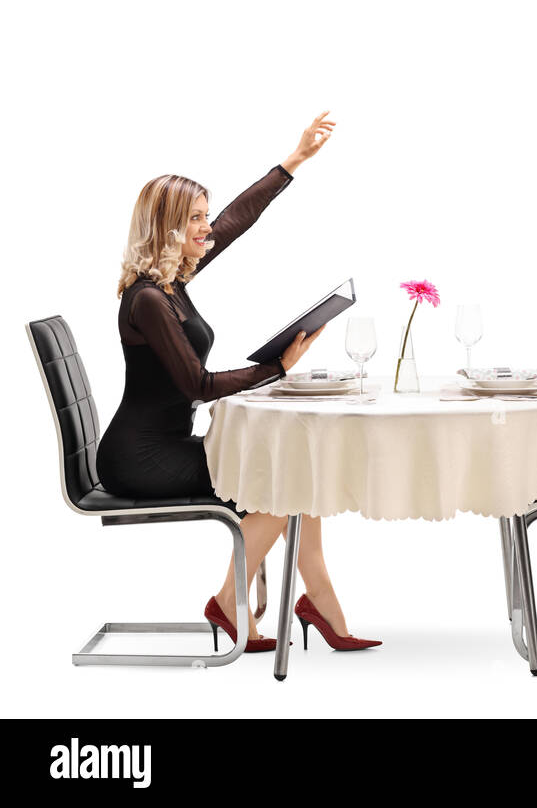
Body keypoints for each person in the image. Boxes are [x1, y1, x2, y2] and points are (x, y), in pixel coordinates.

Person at [97, 111, 380, 652]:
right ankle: (232, 603)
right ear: (166, 228)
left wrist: (293, 162)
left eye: (204, 215)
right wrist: (276, 368)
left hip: (164, 445)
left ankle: (311, 596)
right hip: (140, 459)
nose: (206, 227)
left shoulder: (170, 280)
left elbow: (234, 220)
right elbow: (198, 385)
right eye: (194, 220)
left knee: (296, 466)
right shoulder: (150, 299)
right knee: (284, 481)